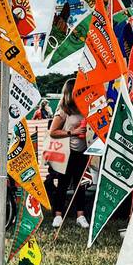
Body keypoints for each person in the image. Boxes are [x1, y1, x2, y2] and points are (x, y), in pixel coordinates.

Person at [46, 79, 90, 229]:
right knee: (63, 185)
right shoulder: (64, 111)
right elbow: (53, 132)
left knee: (80, 185)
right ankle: (58, 215)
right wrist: (73, 132)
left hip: (83, 152)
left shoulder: (85, 108)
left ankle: (81, 215)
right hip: (67, 153)